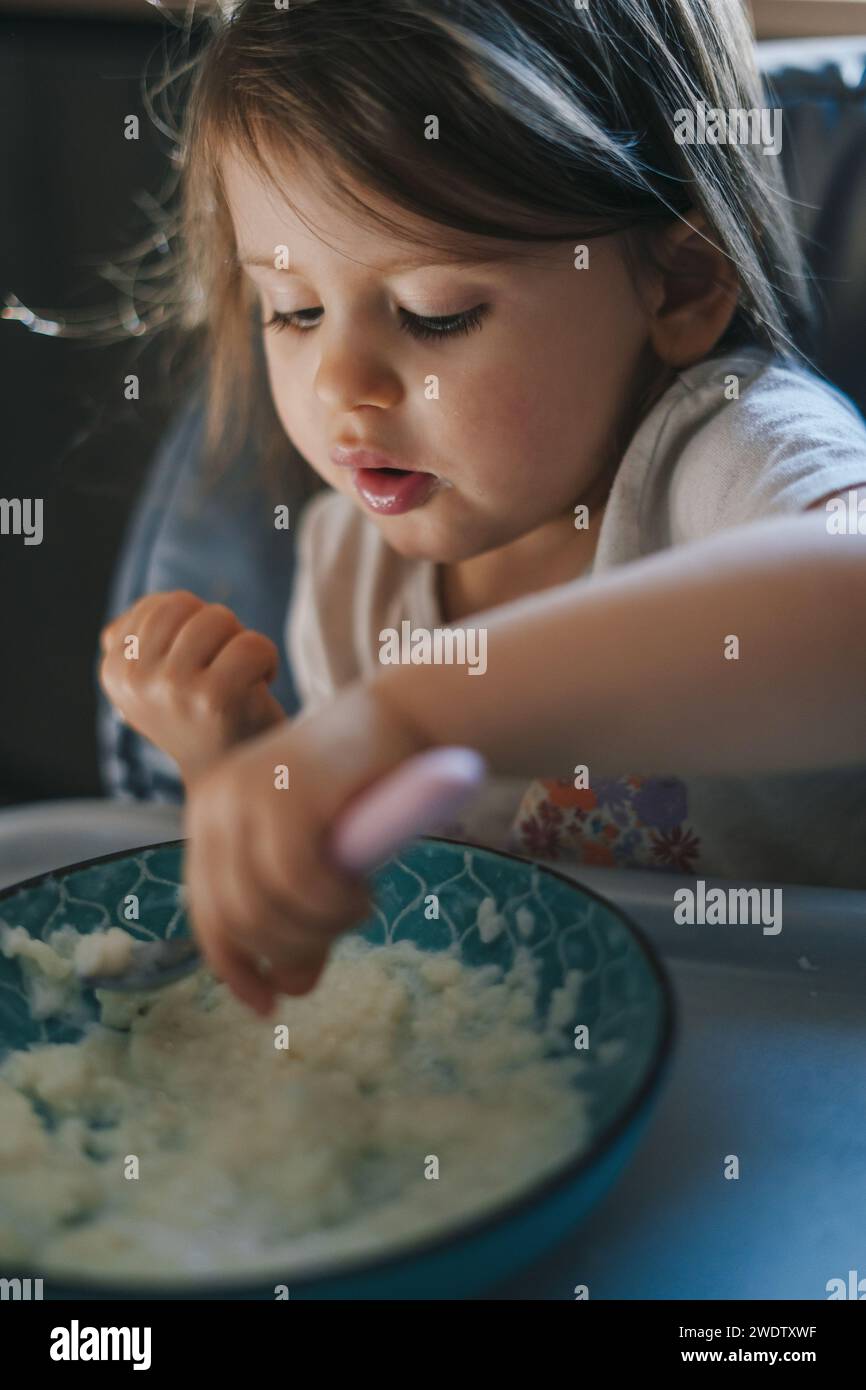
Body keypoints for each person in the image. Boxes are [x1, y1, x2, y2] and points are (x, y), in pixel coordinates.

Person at [99, 0, 866, 1016]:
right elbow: (392, 928)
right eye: (292, 312)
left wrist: (409, 717)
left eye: (433, 314)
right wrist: (252, 783)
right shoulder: (348, 567)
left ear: (678, 283)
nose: (340, 386)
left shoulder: (725, 453)